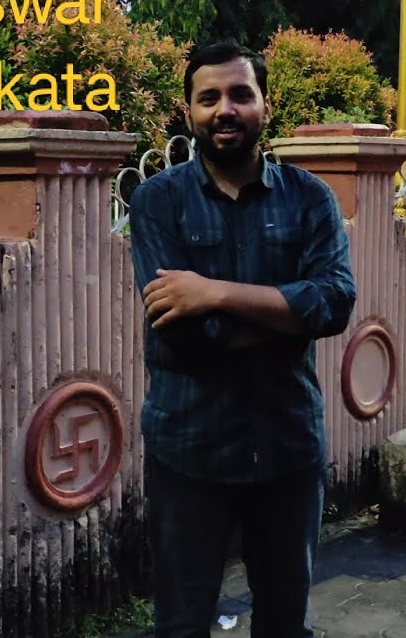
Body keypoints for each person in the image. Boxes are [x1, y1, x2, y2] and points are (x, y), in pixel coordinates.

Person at [128, 40, 358, 637]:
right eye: (208, 98)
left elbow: (334, 303)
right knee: (181, 624)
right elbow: (184, 339)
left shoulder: (310, 198)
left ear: (265, 105)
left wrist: (215, 294)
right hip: (189, 449)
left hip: (286, 448)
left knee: (285, 622)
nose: (224, 109)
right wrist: (287, 315)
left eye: (240, 94)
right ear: (189, 113)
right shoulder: (158, 202)